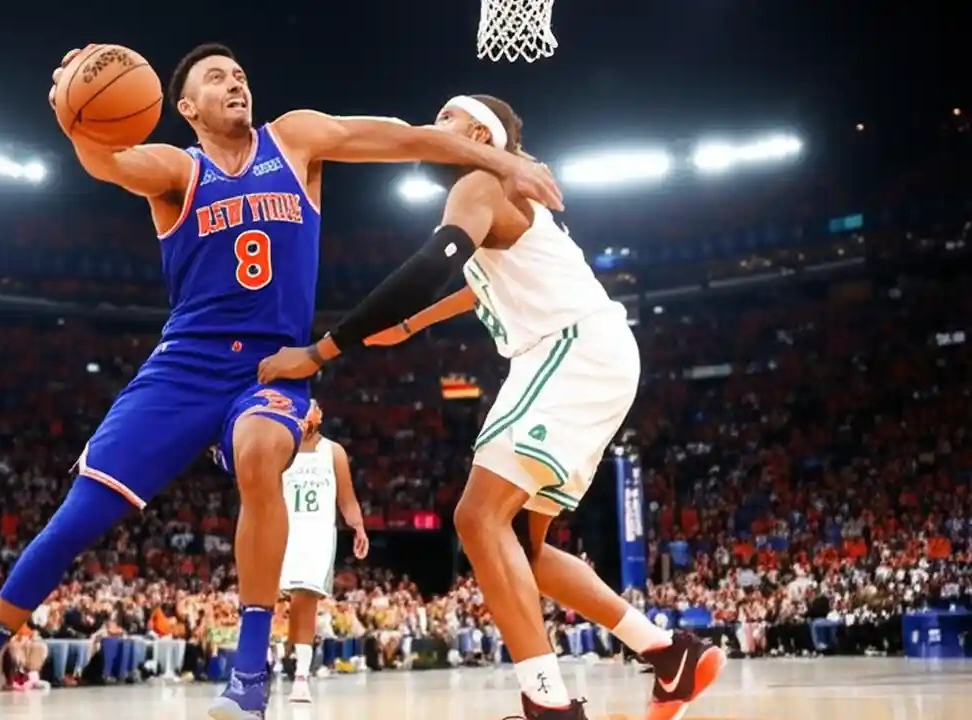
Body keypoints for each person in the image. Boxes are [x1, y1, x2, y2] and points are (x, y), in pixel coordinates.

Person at [0, 43, 560, 720]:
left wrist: (501, 157)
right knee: (78, 518)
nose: (236, 83)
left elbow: (401, 137)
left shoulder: (296, 139)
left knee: (257, 452)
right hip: (185, 365)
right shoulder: (175, 169)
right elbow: (110, 161)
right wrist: (75, 113)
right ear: (184, 107)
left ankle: (249, 676)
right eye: (216, 78)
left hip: (270, 366)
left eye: (241, 75)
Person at [257, 94, 724, 720]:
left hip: (568, 347)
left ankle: (549, 706)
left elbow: (430, 268)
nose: (432, 127)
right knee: (523, 549)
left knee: (476, 518)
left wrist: (319, 352)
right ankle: (670, 654)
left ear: (480, 132)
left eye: (444, 119)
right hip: (585, 352)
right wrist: (415, 324)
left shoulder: (480, 179)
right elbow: (476, 280)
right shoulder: (497, 192)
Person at [277, 401, 367, 704]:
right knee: (273, 602)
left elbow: (348, 499)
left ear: (319, 416)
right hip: (284, 530)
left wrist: (358, 527)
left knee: (306, 601)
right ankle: (267, 663)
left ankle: (301, 676)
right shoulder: (282, 447)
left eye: (311, 409)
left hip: (317, 534)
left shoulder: (334, 452)